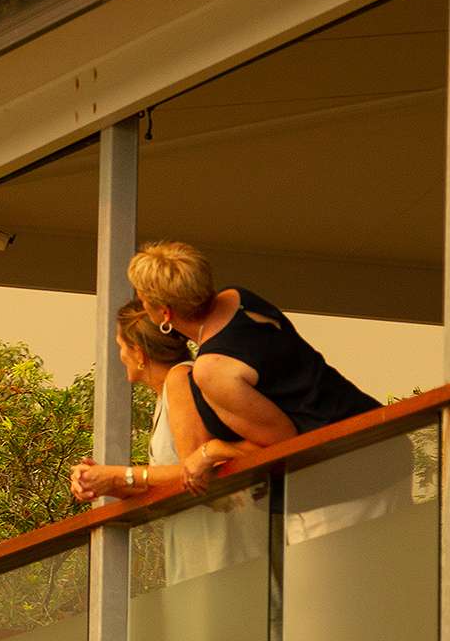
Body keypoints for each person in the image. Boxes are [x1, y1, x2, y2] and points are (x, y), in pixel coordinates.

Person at [127, 239, 410, 540]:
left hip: (338, 487)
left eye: (143, 299)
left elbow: (283, 443)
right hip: (384, 449)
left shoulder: (213, 370)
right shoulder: (239, 298)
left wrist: (211, 451)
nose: (142, 304)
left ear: (165, 314)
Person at [70, 300, 263, 582]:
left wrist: (119, 475)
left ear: (138, 352)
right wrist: (105, 481)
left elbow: (196, 471)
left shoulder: (180, 379)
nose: (120, 354)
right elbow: (174, 479)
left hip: (220, 546)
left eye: (121, 346)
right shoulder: (166, 393)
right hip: (196, 543)